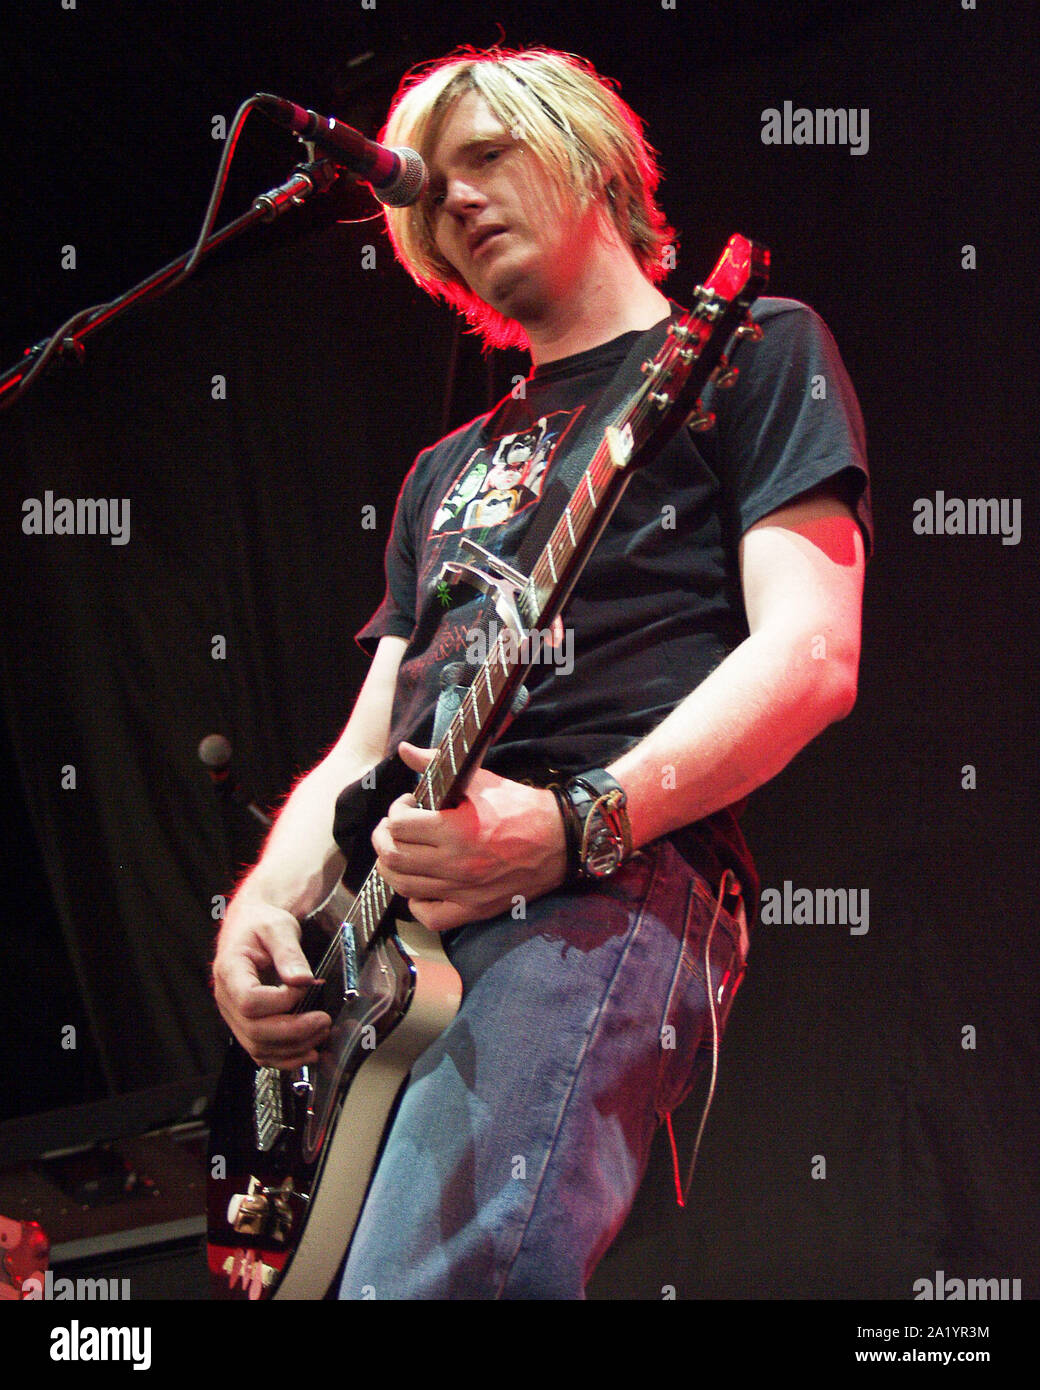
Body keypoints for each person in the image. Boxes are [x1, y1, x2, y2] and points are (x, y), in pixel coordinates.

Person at [211, 45, 871, 1299]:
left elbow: (811, 651)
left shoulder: (747, 350)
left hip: (605, 886)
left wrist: (574, 824)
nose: (449, 199)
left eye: (486, 157)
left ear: (589, 158)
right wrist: (259, 912)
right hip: (395, 945)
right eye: (427, 188)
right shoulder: (439, 469)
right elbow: (363, 750)